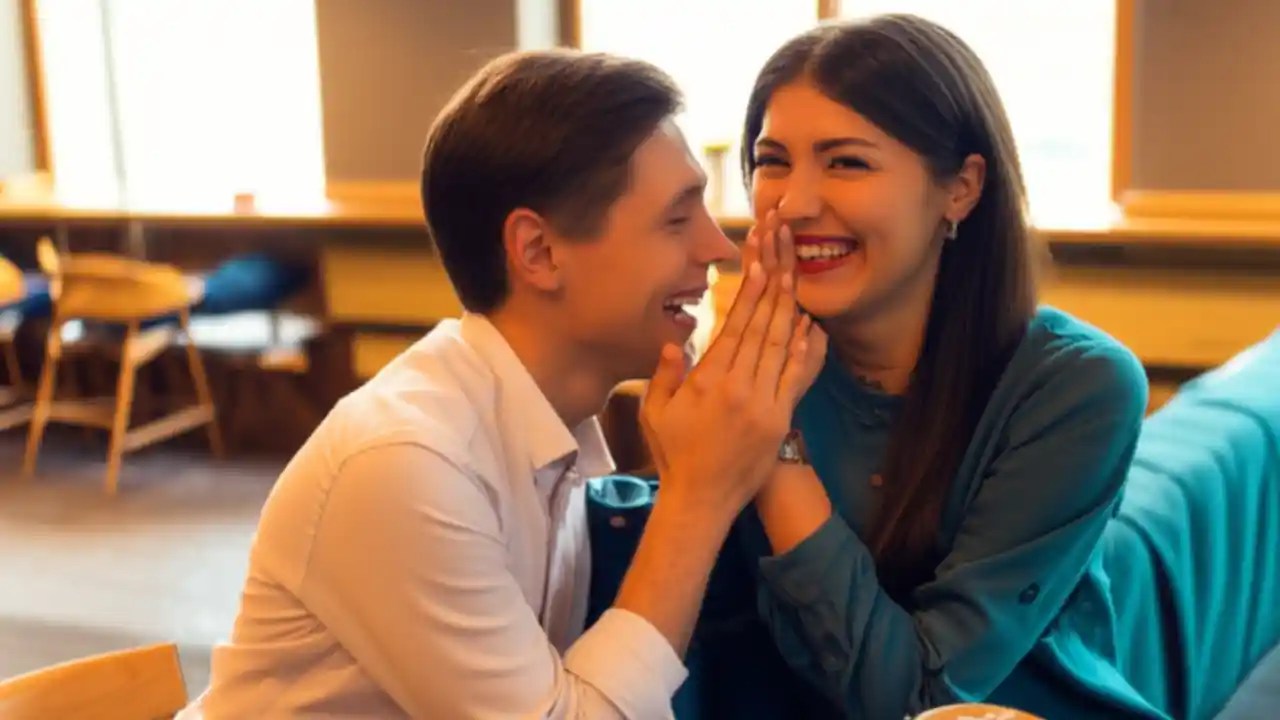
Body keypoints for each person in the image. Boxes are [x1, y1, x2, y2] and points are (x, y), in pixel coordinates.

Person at [181, 49, 824, 718]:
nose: (718, 248)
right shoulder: (408, 462)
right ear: (539, 253)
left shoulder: (547, 429)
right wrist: (700, 493)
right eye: (675, 219)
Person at [712, 13, 1177, 720]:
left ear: (960, 189)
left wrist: (771, 446)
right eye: (772, 160)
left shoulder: (1077, 387)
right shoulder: (739, 372)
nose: (794, 203)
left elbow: (922, 699)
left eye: (847, 162)